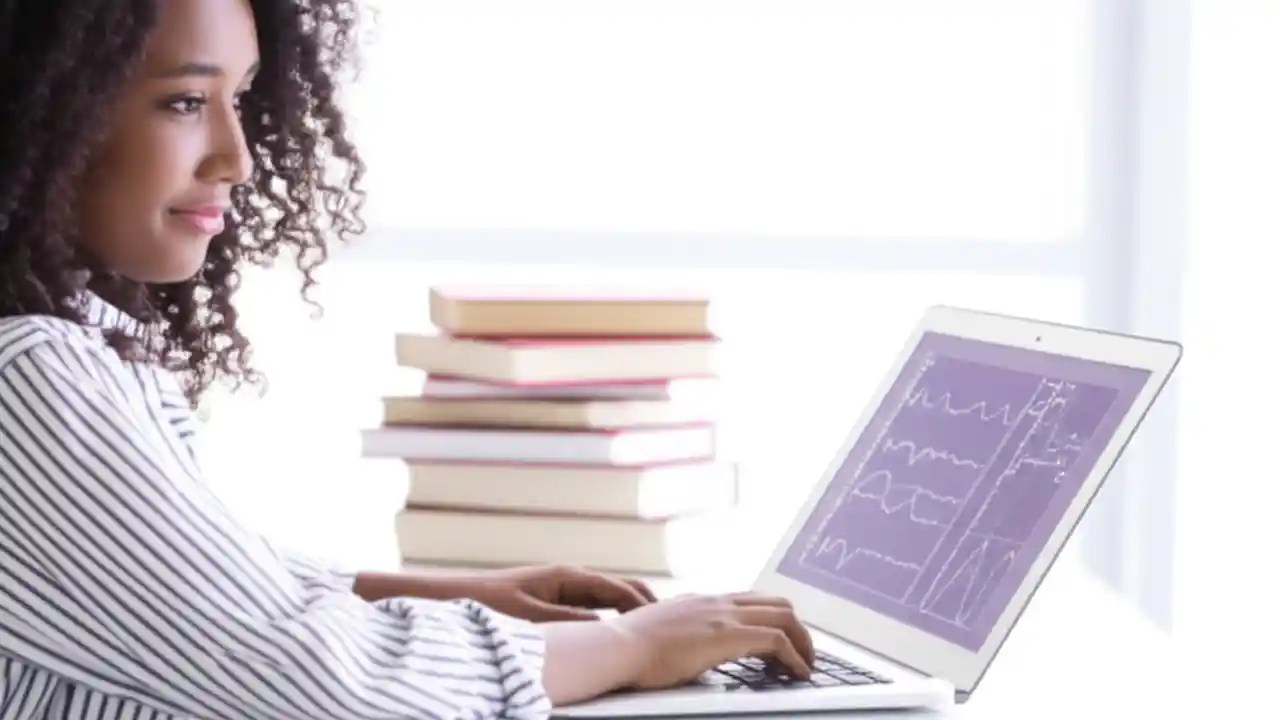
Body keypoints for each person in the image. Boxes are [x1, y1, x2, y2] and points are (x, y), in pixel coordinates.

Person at [0, 1, 815, 718]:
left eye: (240, 99)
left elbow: (201, 595)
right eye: (184, 102)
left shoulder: (61, 345)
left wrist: (454, 596)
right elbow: (326, 682)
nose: (238, 158)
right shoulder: (30, 374)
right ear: (36, 107)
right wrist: (633, 648)